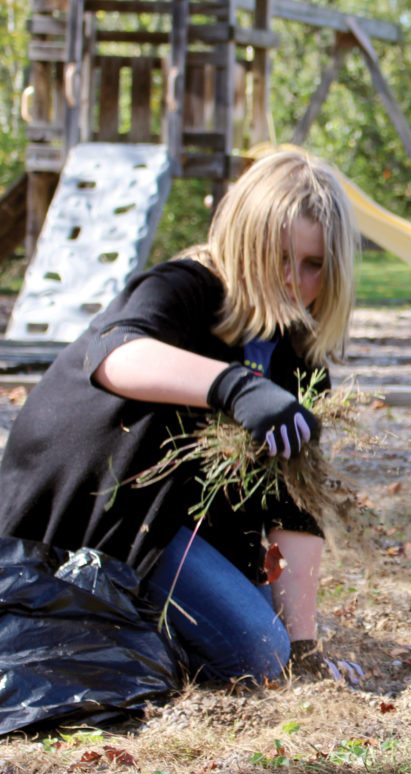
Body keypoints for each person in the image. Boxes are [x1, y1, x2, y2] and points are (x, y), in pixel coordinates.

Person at [0, 150, 359, 682]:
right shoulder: (185, 288)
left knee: (275, 645)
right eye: (279, 257)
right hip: (101, 517)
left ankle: (137, 626)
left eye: (313, 266)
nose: (292, 280)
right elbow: (115, 355)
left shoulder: (298, 355)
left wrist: (304, 650)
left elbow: (295, 508)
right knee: (257, 653)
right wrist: (234, 386)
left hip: (175, 528)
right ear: (246, 242)